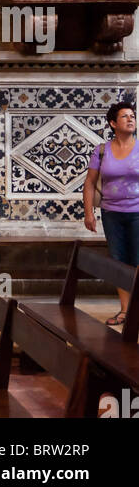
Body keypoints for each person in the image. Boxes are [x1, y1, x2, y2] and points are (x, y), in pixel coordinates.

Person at [83, 98, 139, 325]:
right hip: (111, 214)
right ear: (113, 123)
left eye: (132, 116)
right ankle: (126, 311)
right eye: (125, 116)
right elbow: (89, 183)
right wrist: (89, 213)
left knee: (137, 261)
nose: (131, 119)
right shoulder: (102, 150)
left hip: (138, 212)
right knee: (118, 262)